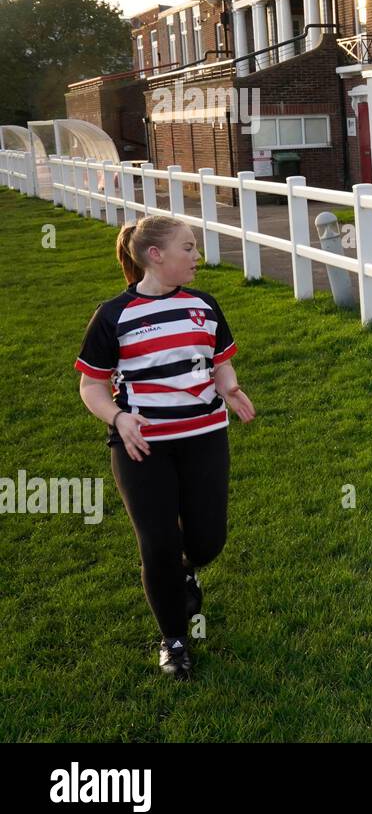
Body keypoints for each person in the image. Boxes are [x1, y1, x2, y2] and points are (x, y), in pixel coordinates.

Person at [75, 216, 254, 680]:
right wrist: (117, 416)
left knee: (208, 540)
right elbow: (91, 385)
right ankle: (174, 640)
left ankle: (186, 570)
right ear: (156, 255)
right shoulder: (113, 314)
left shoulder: (205, 305)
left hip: (205, 438)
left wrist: (230, 388)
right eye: (188, 248)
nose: (197, 257)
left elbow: (219, 363)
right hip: (141, 448)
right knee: (157, 545)